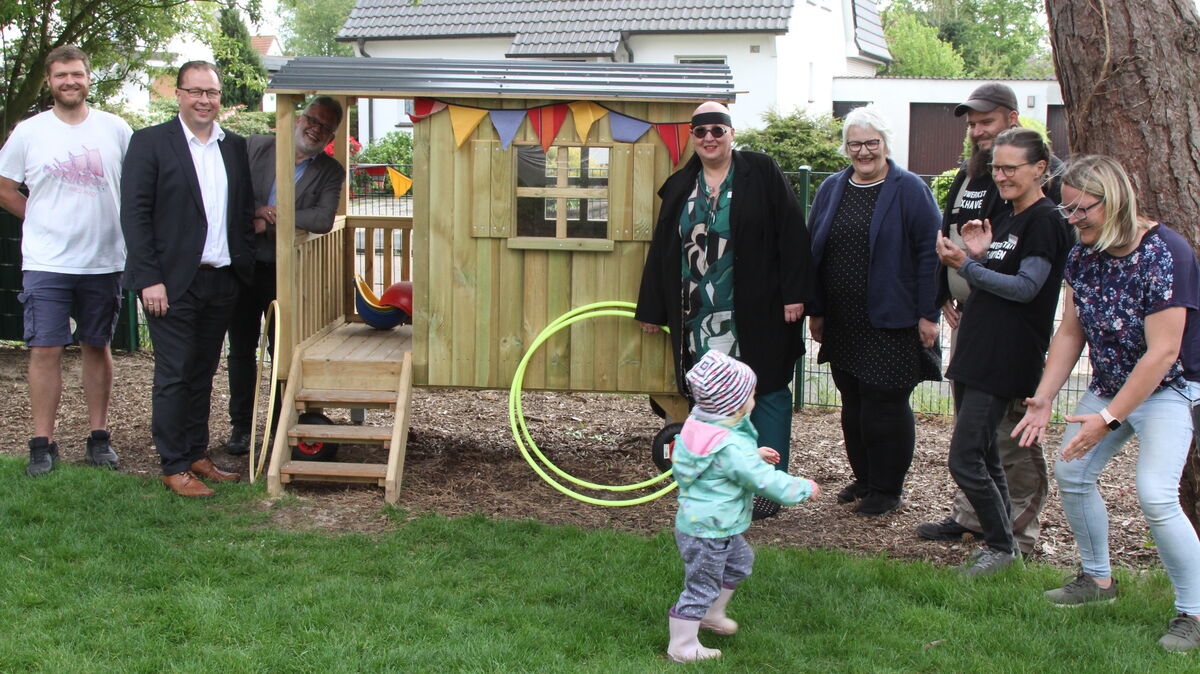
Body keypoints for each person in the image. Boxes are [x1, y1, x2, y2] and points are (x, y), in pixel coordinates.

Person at [1014, 155, 1200, 652]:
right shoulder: (1082, 256)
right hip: (1112, 382)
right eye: (1066, 212)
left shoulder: (1167, 253)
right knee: (1073, 473)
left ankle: (1193, 612)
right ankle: (1097, 582)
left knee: (1156, 495)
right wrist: (1044, 398)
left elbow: (1162, 353)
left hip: (1170, 388)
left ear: (1113, 200)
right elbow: (1071, 330)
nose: (1073, 221)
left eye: (1082, 211)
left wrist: (1108, 418)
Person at [635, 101, 813, 513]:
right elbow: (664, 250)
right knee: (713, 397)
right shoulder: (682, 185)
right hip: (699, 314)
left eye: (718, 129)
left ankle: (769, 489)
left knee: (766, 390)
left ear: (732, 133)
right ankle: (723, 480)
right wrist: (653, 308)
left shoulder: (761, 173)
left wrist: (795, 294)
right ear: (692, 138)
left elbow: (791, 231)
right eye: (701, 131)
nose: (710, 138)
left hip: (758, 308)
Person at [916, 83, 1064, 552]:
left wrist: (971, 266)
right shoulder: (970, 176)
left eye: (987, 122)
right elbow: (954, 235)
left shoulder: (1044, 209)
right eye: (973, 124)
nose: (978, 132)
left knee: (1001, 443)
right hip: (975, 332)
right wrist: (952, 280)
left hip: (1009, 350)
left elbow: (1027, 285)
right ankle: (984, 526)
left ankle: (1015, 536)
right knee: (979, 448)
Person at [120, 61, 255, 497]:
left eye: (211, 92)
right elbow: (135, 217)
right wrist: (149, 279)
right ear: (177, 94)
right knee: (175, 373)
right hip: (170, 284)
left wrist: (242, 268)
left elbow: (240, 212)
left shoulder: (234, 147)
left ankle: (197, 453)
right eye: (194, 91)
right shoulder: (151, 143)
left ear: (220, 98)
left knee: (202, 372)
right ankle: (174, 464)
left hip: (221, 281)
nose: (203, 100)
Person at [0, 45, 131, 476]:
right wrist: (37, 217)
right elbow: (4, 186)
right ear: (49, 82)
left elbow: (136, 188)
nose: (69, 82)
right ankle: (43, 442)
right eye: (60, 76)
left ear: (88, 76)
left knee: (98, 346)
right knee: (45, 349)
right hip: (47, 261)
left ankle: (99, 437)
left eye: (76, 73)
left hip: (103, 259)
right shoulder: (29, 131)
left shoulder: (115, 129)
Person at [805, 105, 941, 516]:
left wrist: (928, 313)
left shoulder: (909, 188)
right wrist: (817, 310)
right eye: (855, 144)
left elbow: (929, 253)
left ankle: (887, 488)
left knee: (885, 404)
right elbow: (814, 248)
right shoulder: (832, 187)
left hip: (891, 318)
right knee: (854, 402)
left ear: (884, 143)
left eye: (871, 143)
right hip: (843, 319)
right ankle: (863, 478)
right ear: (845, 148)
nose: (863, 152)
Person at [666, 349, 818, 663]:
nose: (753, 398)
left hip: (707, 524)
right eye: (750, 394)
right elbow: (763, 481)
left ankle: (711, 614)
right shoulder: (730, 444)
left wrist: (753, 453)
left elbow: (722, 460)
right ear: (733, 404)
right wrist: (803, 488)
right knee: (701, 586)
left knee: (740, 562)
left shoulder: (701, 423)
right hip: (709, 529)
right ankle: (681, 647)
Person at [224, 97, 345, 455]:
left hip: (286, 272)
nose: (315, 129)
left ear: (331, 135)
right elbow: (229, 195)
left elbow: (322, 219)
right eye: (312, 120)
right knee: (241, 351)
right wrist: (255, 211)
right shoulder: (256, 147)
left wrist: (274, 214)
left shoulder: (329, 170)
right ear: (298, 118)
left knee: (284, 353)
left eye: (325, 127)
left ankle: (282, 425)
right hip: (244, 266)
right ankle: (241, 428)